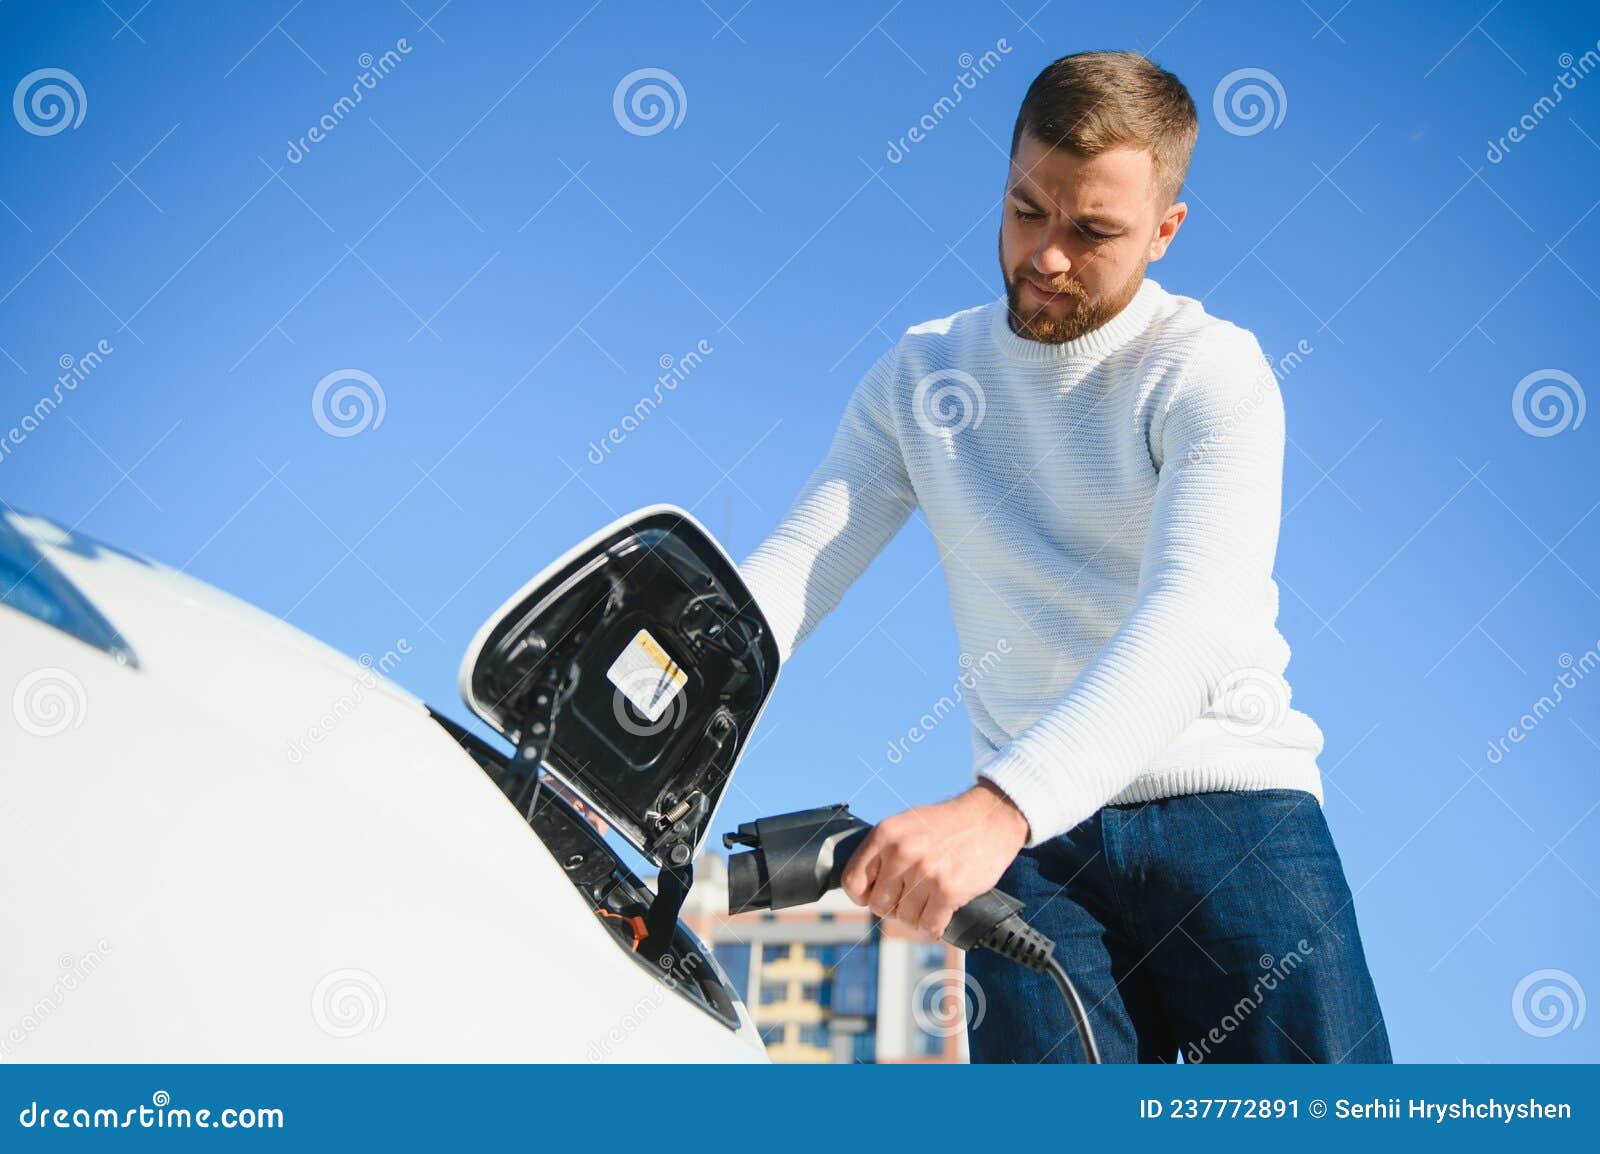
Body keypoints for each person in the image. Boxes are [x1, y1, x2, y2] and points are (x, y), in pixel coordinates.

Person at [737, 51, 1390, 1064]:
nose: (1044, 256)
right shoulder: (923, 375)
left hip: (1234, 816)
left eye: (1092, 232)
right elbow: (791, 571)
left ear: (1164, 231)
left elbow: (1194, 616)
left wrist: (996, 807)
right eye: (1025, 209)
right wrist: (644, 699)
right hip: (1038, 860)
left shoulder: (1209, 371)